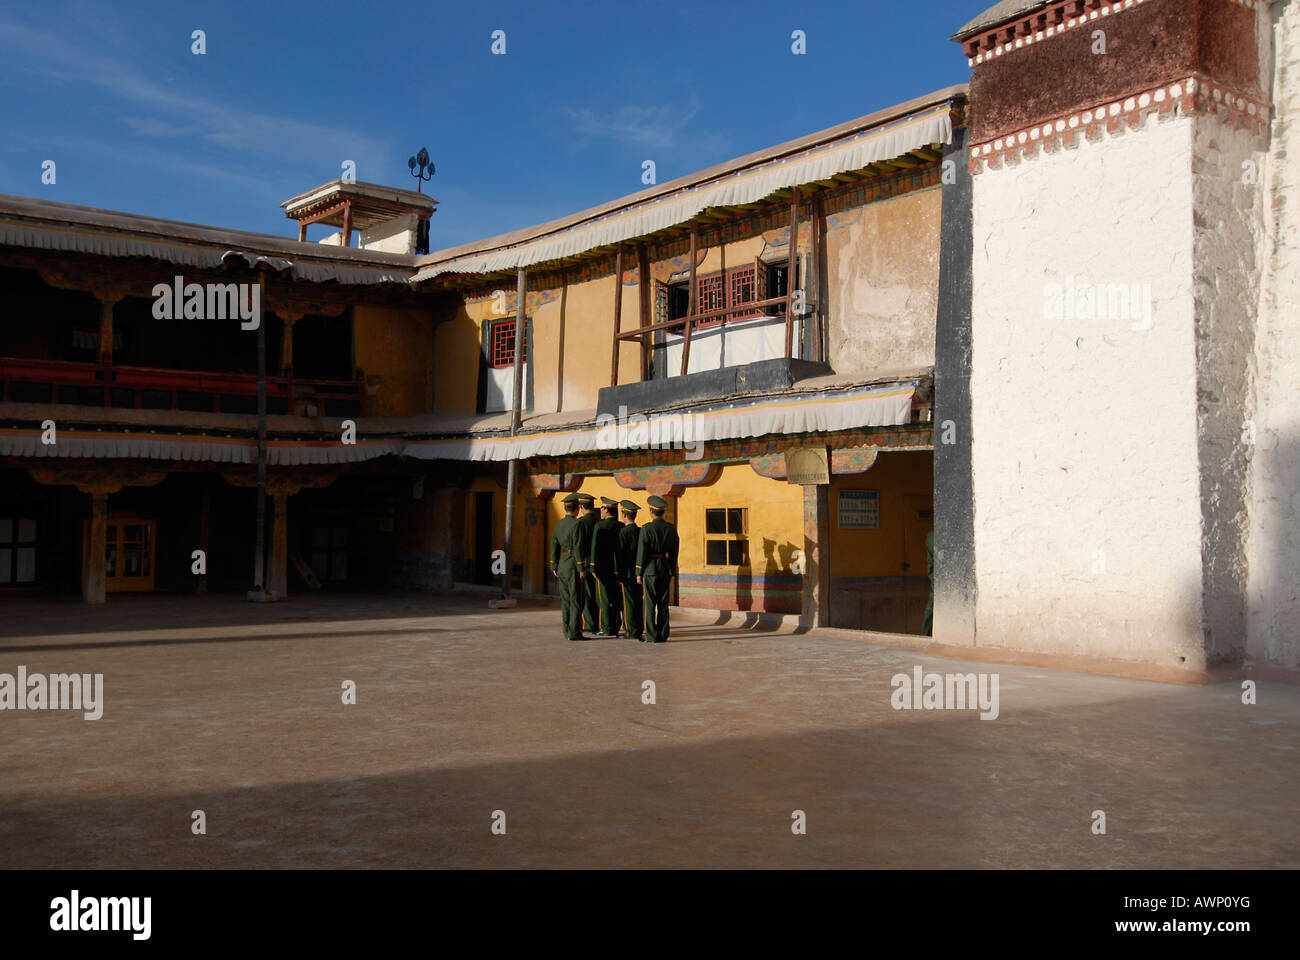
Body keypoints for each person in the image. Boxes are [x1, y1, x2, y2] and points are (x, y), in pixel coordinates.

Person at [636, 495, 679, 643]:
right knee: (663, 603)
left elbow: (642, 552)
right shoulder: (671, 529)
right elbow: (674, 552)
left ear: (651, 511)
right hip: (665, 569)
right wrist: (671, 569)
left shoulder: (647, 529)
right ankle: (663, 633)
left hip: (649, 570)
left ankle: (651, 634)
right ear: (662, 512)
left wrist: (638, 572)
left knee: (649, 603)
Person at [550, 493, 589, 641]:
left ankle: (566, 630)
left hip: (562, 563)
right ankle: (575, 632)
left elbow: (554, 545)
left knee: (565, 600)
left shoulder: (559, 524)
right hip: (573, 564)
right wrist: (581, 567)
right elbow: (578, 547)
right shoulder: (577, 524)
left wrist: (554, 564)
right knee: (575, 600)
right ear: (578, 508)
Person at [590, 497, 623, 638]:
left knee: (603, 598)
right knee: (616, 597)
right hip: (618, 567)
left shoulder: (600, 526)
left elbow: (594, 548)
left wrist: (593, 567)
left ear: (606, 510)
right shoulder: (621, 526)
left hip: (603, 568)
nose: (601, 511)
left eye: (602, 509)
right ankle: (616, 625)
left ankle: (606, 626)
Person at [616, 500, 644, 640]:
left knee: (628, 603)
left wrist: (619, 574)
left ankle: (630, 630)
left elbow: (620, 555)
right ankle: (639, 628)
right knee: (638, 601)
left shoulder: (623, 533)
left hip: (627, 573)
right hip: (639, 571)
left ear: (624, 515)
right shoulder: (640, 531)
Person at [576, 493, 600, 634]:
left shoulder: (582, 523)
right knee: (597, 594)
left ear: (581, 507)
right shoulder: (599, 521)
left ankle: (590, 623)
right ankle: (599, 622)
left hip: (585, 562)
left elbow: (581, 545)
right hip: (598, 562)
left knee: (587, 594)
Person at [922, 528, 935, 637]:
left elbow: (930, 565)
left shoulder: (930, 536)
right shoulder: (933, 536)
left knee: (930, 610)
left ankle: (924, 636)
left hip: (936, 580)